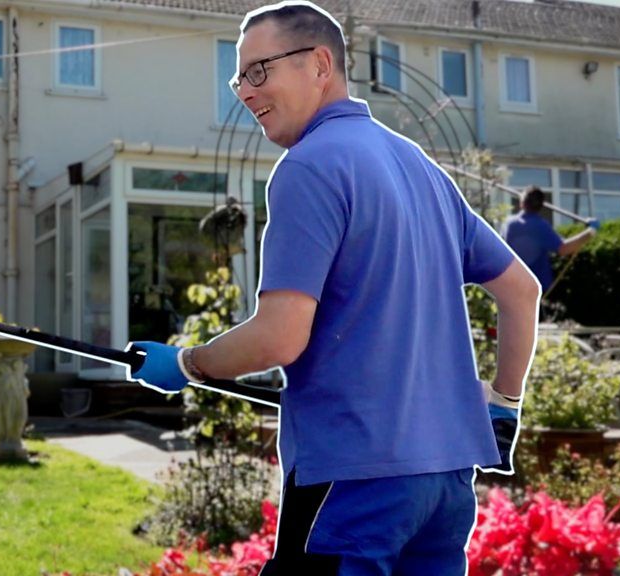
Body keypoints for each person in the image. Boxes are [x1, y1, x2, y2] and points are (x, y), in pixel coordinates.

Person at [126, 2, 540, 574]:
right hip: (445, 484)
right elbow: (521, 292)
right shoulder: (421, 169)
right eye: (238, 78)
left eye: (259, 71)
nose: (246, 92)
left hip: (353, 483)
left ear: (320, 64)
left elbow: (279, 337)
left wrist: (188, 364)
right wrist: (504, 405)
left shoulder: (309, 166)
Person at [503, 186, 599, 293]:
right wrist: (590, 231)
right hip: (532, 288)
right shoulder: (540, 226)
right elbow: (563, 248)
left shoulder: (509, 224)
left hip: (510, 287)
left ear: (522, 203)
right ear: (541, 206)